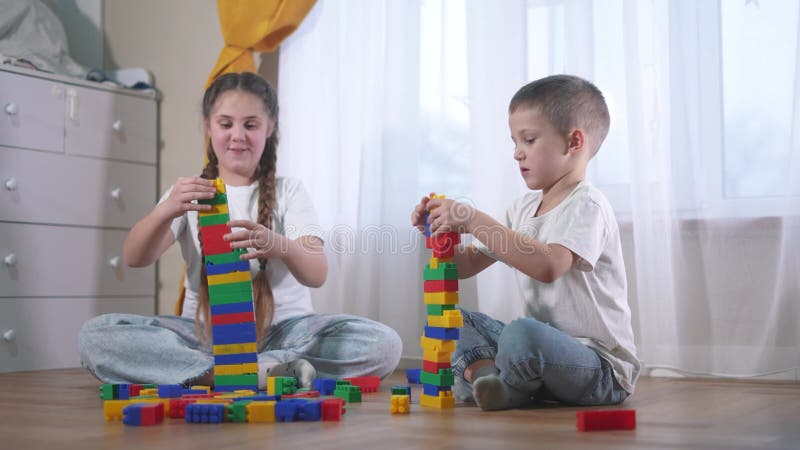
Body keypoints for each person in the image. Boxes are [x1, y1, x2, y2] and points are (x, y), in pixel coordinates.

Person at [79, 72, 402, 389]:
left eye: (250, 125)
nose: (237, 135)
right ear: (208, 126)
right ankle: (257, 373)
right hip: (203, 336)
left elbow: (317, 273)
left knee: (384, 344)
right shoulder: (188, 193)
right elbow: (134, 257)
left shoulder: (289, 191)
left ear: (269, 127)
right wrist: (166, 209)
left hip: (285, 332)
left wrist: (277, 244)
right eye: (225, 124)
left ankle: (237, 370)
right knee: (95, 336)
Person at [411, 74, 639, 411]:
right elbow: (466, 265)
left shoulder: (587, 205)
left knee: (522, 333)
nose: (518, 154)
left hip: (599, 367)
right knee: (450, 321)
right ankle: (491, 381)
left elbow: (549, 266)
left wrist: (472, 219)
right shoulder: (522, 209)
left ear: (574, 142)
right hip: (540, 356)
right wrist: (437, 234)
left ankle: (508, 384)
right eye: (515, 142)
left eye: (528, 140)